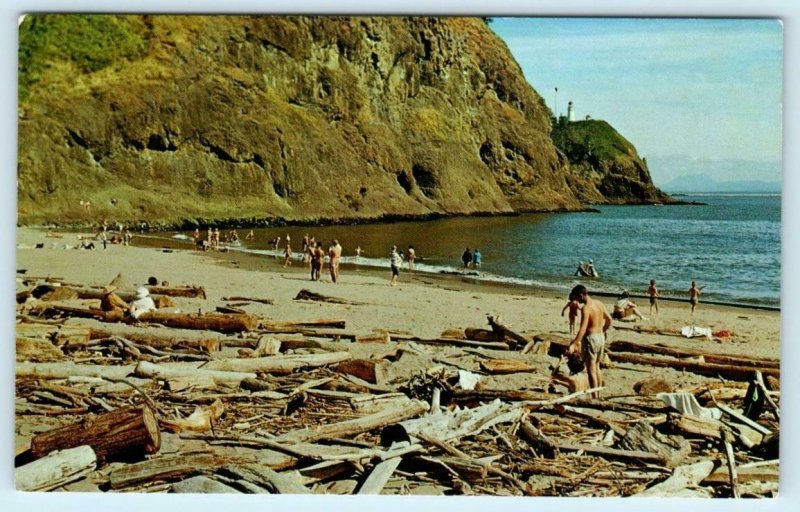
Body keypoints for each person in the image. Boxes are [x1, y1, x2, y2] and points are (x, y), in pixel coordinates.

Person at [566, 285, 612, 398]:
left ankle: (594, 396)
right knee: (597, 367)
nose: (576, 300)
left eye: (577, 297)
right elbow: (609, 319)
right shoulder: (599, 303)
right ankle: (599, 393)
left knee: (591, 369)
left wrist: (575, 343)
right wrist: (603, 330)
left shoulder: (586, 308)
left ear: (581, 295)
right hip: (600, 337)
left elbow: (583, 329)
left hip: (591, 338)